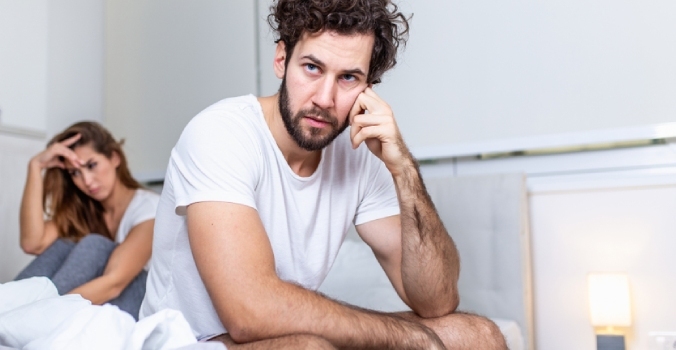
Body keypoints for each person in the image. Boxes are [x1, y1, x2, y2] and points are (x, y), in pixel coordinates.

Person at [140, 0, 507, 348]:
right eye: (312, 68)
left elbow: (437, 300)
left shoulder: (361, 154)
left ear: (367, 90)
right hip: (188, 342)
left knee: (476, 336)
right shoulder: (221, 134)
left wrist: (403, 169)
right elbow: (248, 312)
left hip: (286, 338)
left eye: (348, 78)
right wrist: (408, 338)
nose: (325, 98)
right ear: (282, 59)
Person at [15, 121, 158, 320]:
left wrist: (41, 312)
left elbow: (113, 283)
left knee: (96, 245)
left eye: (92, 165)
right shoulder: (86, 211)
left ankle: (19, 319)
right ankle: (7, 311)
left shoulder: (149, 208)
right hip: (97, 305)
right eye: (75, 173)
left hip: (143, 304)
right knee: (65, 244)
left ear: (114, 158)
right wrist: (35, 166)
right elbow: (32, 243)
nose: (87, 181)